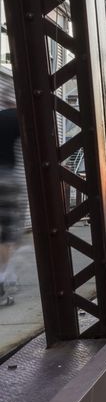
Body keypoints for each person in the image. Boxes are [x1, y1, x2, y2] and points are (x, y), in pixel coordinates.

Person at [0, 108, 21, 306]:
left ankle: (9, 276)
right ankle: (4, 279)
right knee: (7, 234)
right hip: (5, 178)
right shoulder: (10, 117)